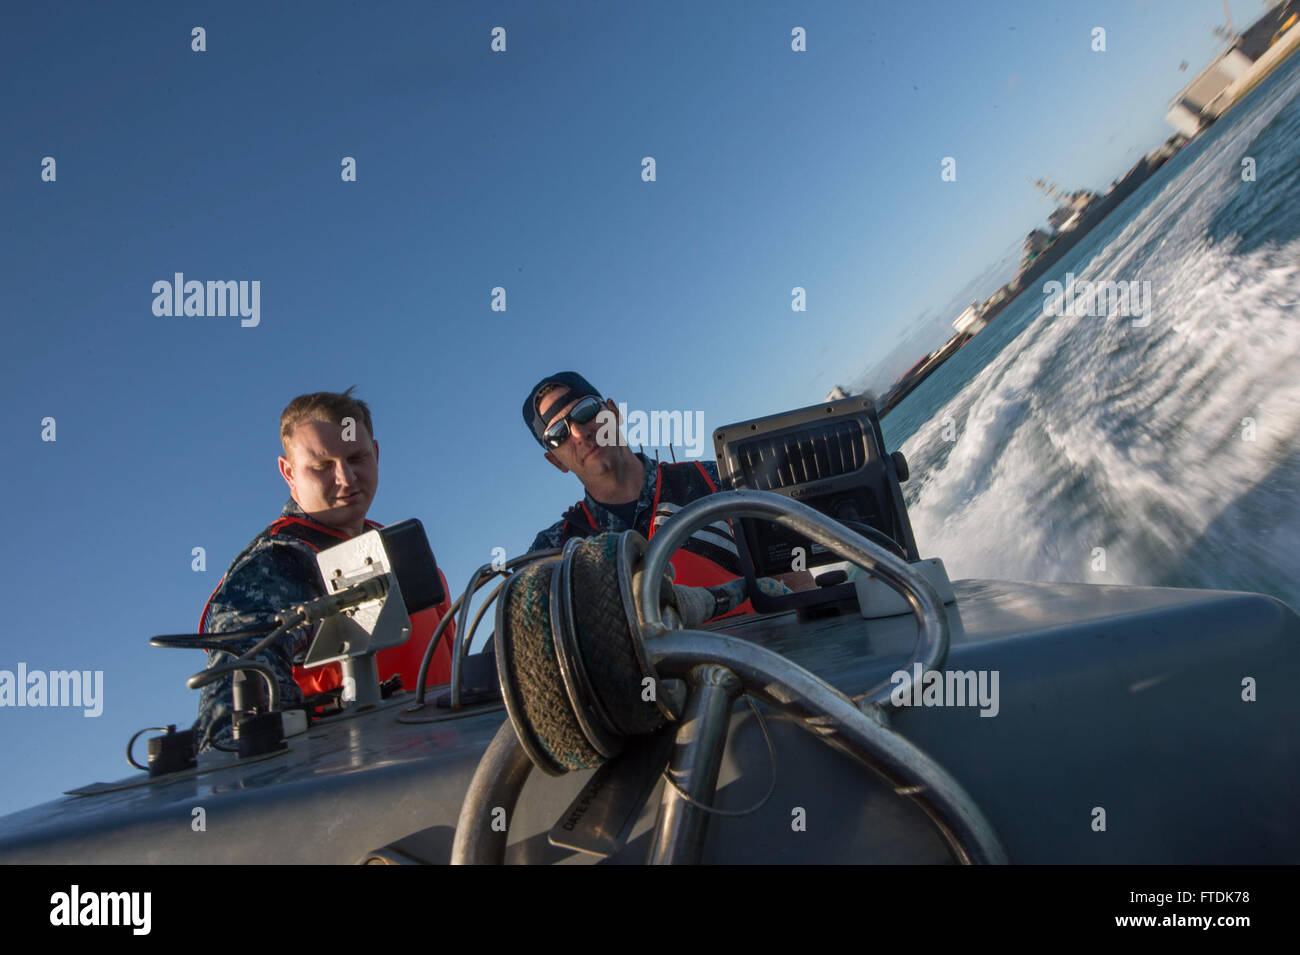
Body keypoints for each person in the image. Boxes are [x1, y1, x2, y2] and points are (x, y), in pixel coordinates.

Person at [193, 388, 454, 753]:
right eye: (321, 467)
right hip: (357, 793)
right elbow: (232, 738)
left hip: (460, 771)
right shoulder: (276, 566)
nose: (345, 478)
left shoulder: (404, 549)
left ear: (376, 454)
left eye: (356, 458)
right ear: (289, 472)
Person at [523, 371, 781, 622]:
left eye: (585, 411)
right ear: (556, 461)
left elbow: (788, 571)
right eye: (558, 435)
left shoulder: (715, 480)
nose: (579, 434)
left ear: (613, 412)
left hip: (759, 654)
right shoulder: (552, 551)